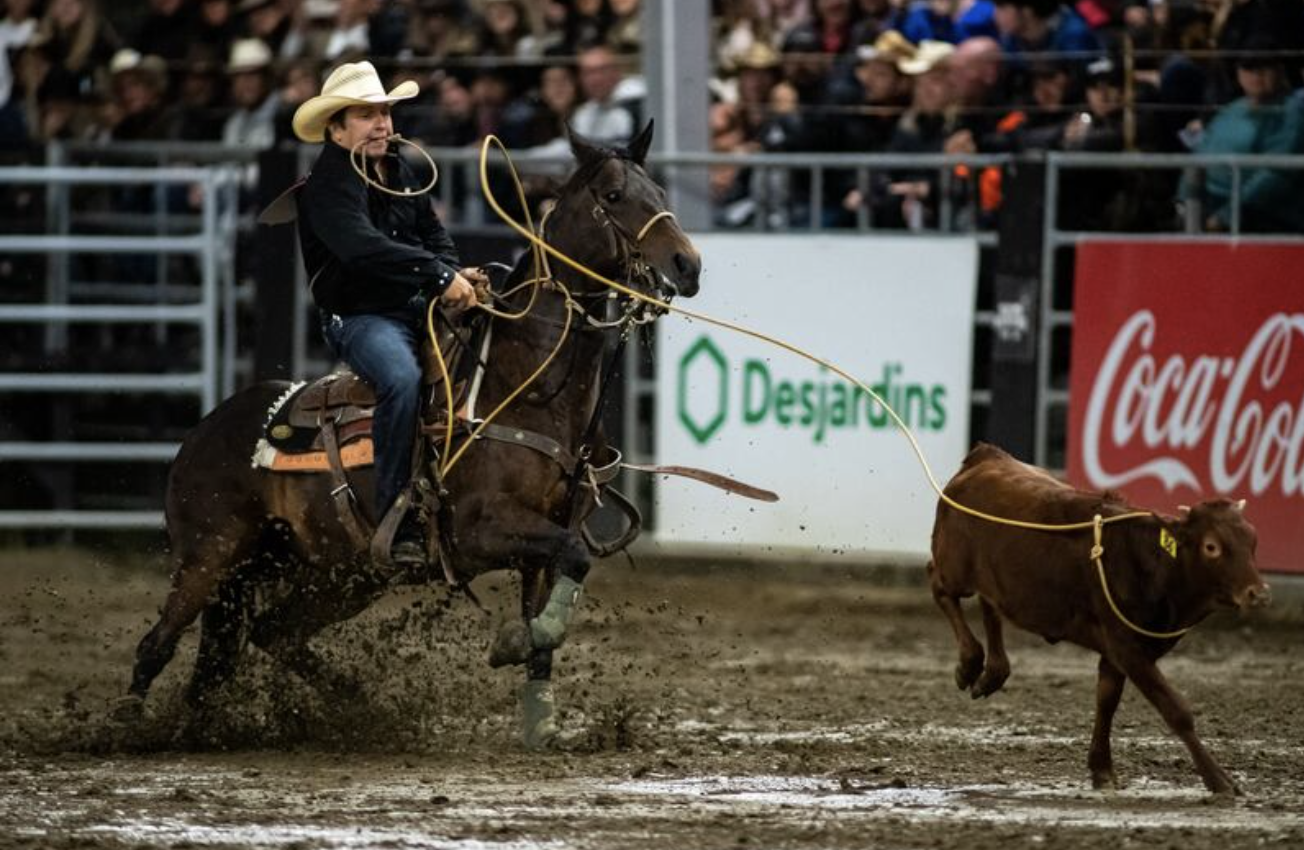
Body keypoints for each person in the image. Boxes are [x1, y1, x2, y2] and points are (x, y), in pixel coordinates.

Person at [291, 59, 479, 567]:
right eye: (367, 115)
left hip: (413, 307)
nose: (382, 124)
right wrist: (440, 277)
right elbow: (362, 249)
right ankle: (395, 515)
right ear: (335, 127)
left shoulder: (400, 168)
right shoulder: (325, 188)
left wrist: (453, 274)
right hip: (358, 318)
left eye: (385, 113)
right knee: (400, 379)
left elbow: (433, 234)